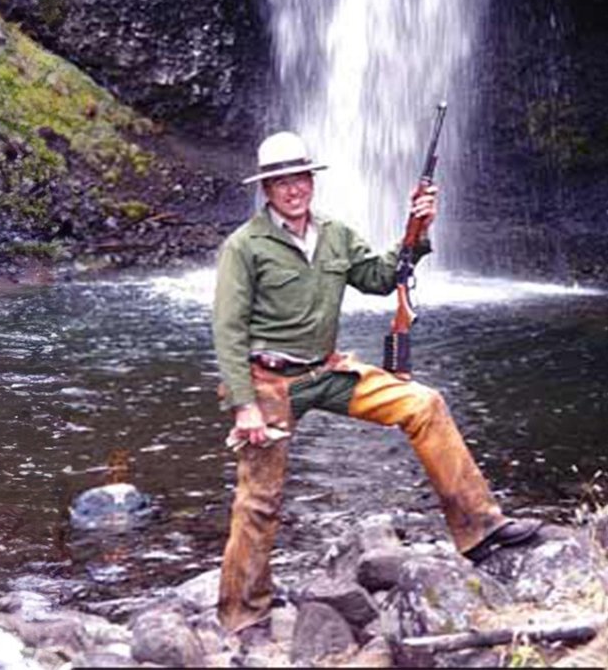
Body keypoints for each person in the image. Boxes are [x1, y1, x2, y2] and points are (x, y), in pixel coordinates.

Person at [212, 130, 541, 633]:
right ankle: (242, 613)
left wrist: (417, 229)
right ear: (267, 189)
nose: (293, 189)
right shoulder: (245, 246)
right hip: (268, 383)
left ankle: (481, 527)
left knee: (424, 404)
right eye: (281, 182)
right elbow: (227, 330)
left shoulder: (336, 234)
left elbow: (382, 277)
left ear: (309, 180)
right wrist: (244, 406)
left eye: (299, 177)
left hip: (327, 370)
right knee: (260, 499)